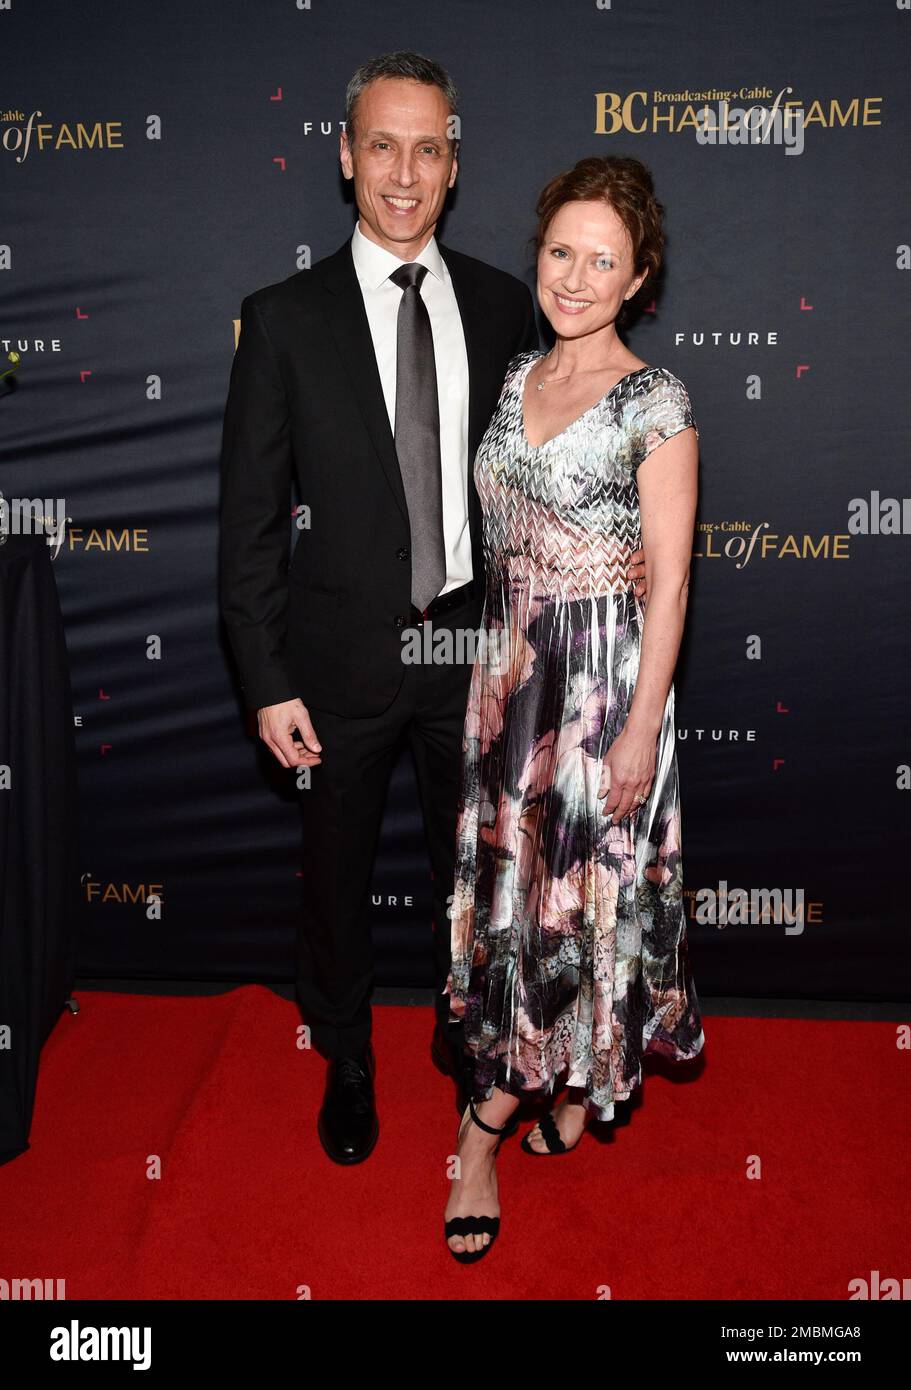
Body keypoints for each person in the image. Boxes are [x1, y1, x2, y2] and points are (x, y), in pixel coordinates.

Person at [218, 54, 648, 1167]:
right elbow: (250, 521)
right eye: (380, 145)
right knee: (337, 875)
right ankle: (349, 1057)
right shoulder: (280, 320)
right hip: (334, 662)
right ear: (346, 155)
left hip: (480, 658)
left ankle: (478, 1052)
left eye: (426, 149)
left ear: (453, 164)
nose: (401, 174)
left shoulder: (510, 305)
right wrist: (265, 677)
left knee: (486, 879)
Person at [442, 155, 705, 1260]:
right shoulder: (510, 381)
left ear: (639, 276)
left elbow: (671, 575)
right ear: (537, 252)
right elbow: (495, 540)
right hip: (509, 679)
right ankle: (531, 1086)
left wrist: (642, 725)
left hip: (602, 692)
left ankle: (477, 1135)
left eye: (604, 259)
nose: (576, 276)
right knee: (515, 895)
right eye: (561, 251)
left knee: (577, 899)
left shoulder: (657, 401)